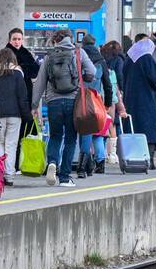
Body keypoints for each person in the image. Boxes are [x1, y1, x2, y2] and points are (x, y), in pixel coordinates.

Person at [31, 29, 95, 187]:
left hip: (53, 102)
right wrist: (85, 77)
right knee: (71, 139)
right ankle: (65, 177)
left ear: (55, 41)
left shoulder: (49, 56)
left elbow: (40, 83)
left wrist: (34, 105)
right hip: (73, 102)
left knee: (55, 136)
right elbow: (92, 71)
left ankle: (52, 162)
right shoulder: (78, 53)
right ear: (71, 39)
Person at [0, 47, 30, 185]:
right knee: (11, 145)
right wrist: (27, 116)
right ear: (12, 59)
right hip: (15, 114)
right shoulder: (17, 74)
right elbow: (22, 97)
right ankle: (9, 175)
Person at [123, 34, 156, 166]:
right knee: (148, 128)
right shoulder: (147, 58)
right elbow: (154, 78)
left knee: (134, 127)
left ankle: (134, 157)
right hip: (145, 99)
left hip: (130, 99)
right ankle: (149, 159)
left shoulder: (129, 59)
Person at [76, 34, 110, 177]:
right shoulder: (101, 60)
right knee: (97, 132)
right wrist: (107, 103)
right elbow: (107, 84)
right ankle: (99, 163)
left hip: (80, 99)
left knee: (83, 132)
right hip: (96, 100)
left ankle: (84, 165)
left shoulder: (79, 57)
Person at [101, 40, 128, 164]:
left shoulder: (101, 67)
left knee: (102, 127)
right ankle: (113, 154)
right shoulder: (116, 66)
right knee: (112, 124)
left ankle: (103, 153)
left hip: (99, 100)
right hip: (111, 100)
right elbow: (118, 85)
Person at [7, 27, 40, 101]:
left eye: (19, 39)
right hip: (11, 92)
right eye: (14, 39)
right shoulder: (5, 53)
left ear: (22, 40)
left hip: (26, 90)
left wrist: (21, 67)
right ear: (10, 40)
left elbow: (35, 71)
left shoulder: (26, 53)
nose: (17, 42)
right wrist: (26, 68)